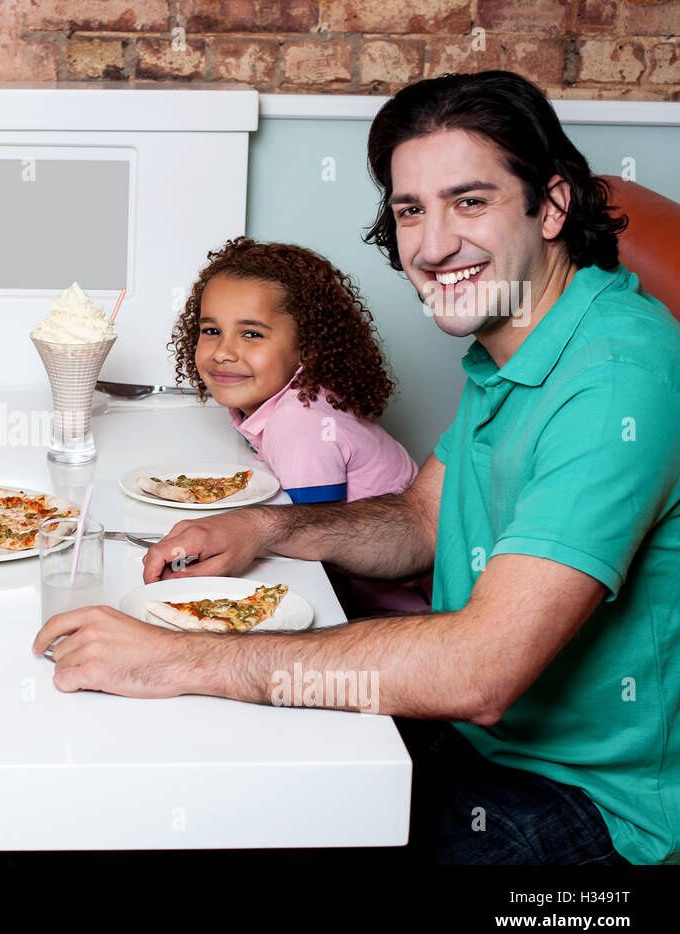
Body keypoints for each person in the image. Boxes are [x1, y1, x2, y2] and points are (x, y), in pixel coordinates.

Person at [34, 70, 680, 865]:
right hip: (470, 743)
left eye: (469, 202)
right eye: (412, 210)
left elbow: (482, 671)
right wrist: (266, 526)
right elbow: (418, 521)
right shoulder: (518, 340)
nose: (433, 245)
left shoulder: (616, 376)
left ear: (550, 206)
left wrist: (174, 658)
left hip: (588, 812)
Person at [169, 237, 426, 614]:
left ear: (308, 346)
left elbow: (312, 538)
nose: (223, 351)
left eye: (252, 334)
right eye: (211, 331)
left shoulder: (299, 421)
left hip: (385, 611)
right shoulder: (290, 398)